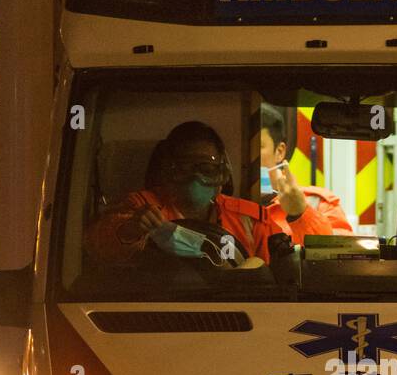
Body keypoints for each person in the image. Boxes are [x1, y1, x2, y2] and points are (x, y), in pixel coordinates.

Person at [85, 121, 287, 267]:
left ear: (222, 175)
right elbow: (97, 246)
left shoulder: (251, 219)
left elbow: (283, 270)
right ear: (166, 171)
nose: (195, 177)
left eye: (206, 168)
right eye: (184, 168)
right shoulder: (140, 206)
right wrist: (130, 229)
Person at [258, 105, 351, 238]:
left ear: (279, 151)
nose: (248, 154)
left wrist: (299, 213)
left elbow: (338, 253)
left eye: (258, 146)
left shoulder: (320, 204)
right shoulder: (223, 207)